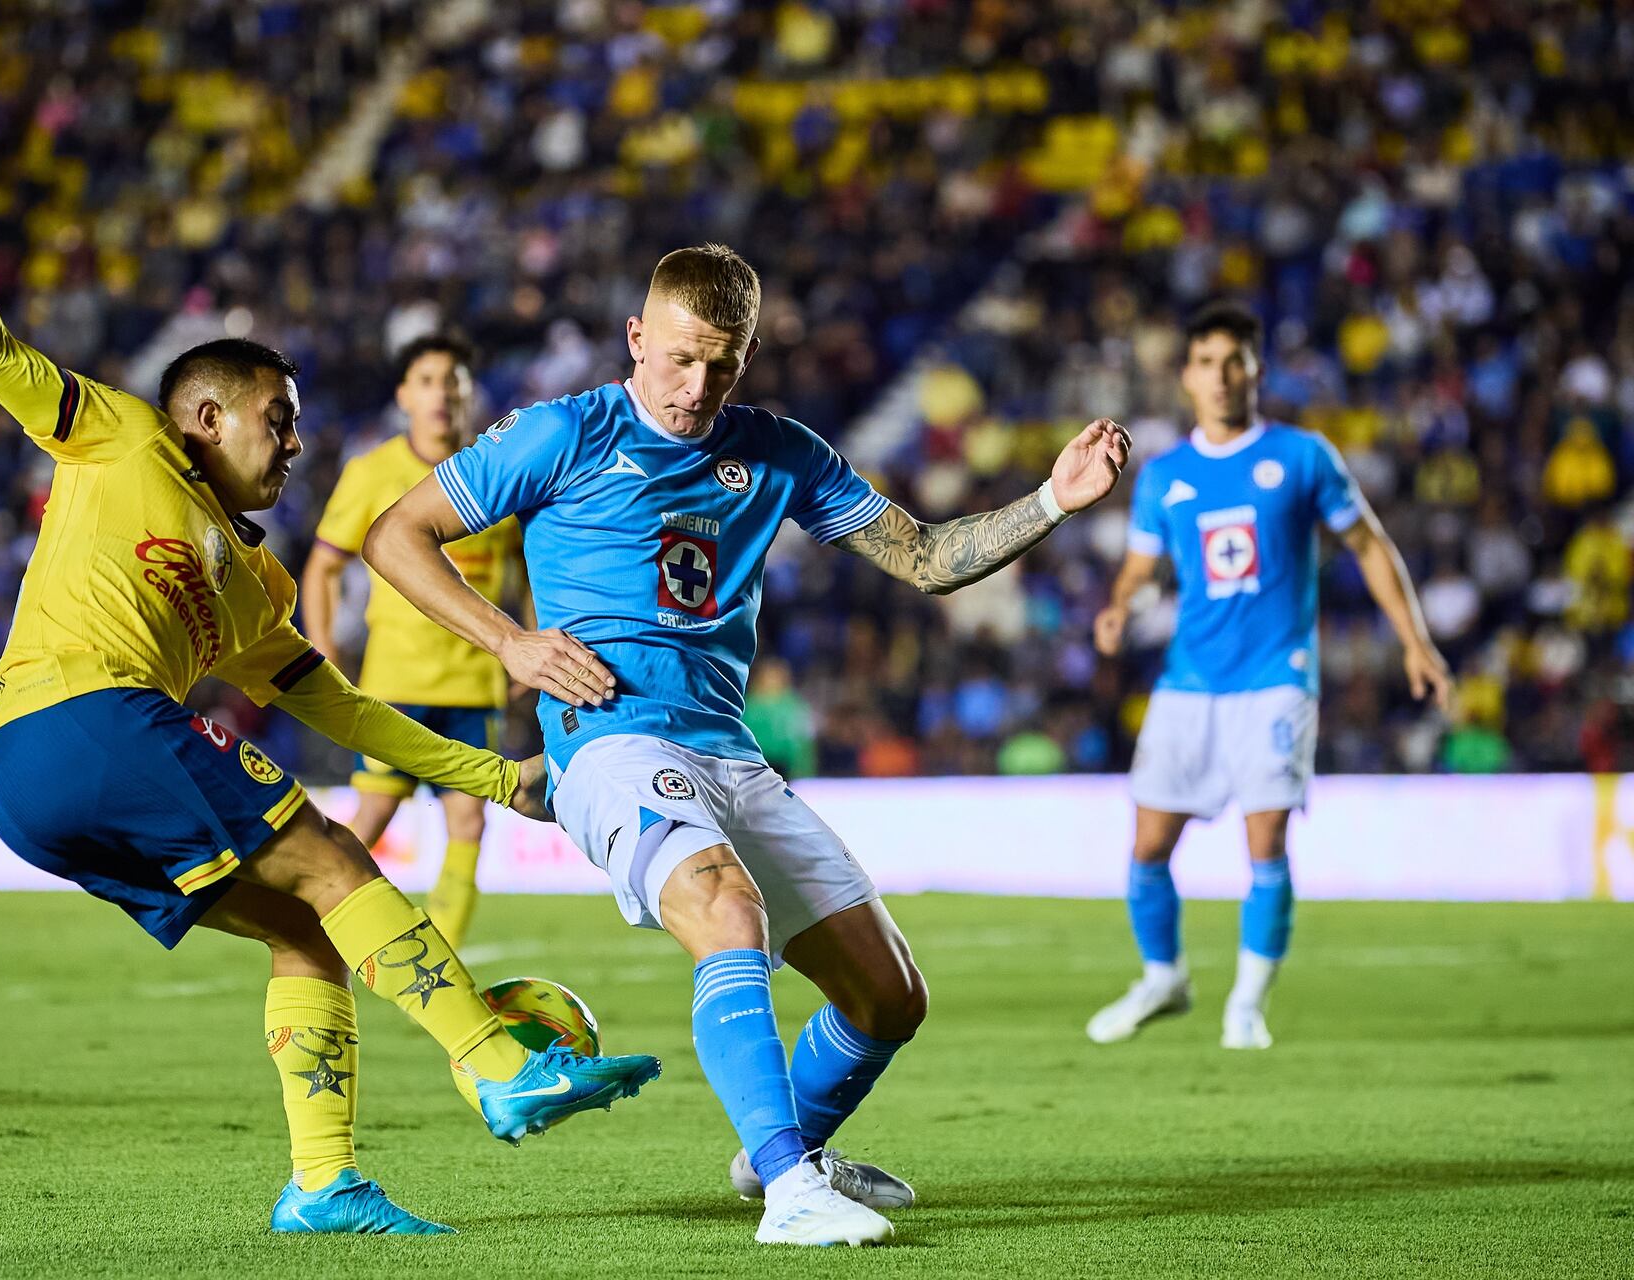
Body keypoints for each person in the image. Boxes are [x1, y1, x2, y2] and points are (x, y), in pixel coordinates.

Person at [0, 138, 658, 1237]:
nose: (295, 441)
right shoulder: (122, 437)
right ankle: (493, 1060)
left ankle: (323, 1181)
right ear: (205, 418)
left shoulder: (255, 584)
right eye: (276, 418)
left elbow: (345, 708)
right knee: (337, 856)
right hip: (76, 718)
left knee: (308, 925)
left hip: (39, 780)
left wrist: (501, 776)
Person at [361, 243, 1130, 1246]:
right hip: (610, 739)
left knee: (889, 994)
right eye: (678, 358)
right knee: (728, 908)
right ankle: (788, 1187)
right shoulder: (563, 433)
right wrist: (510, 641)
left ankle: (786, 1145)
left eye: (721, 364)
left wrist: (1053, 501)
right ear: (637, 338)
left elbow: (929, 558)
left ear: (749, 355)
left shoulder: (777, 450)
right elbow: (395, 534)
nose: (695, 386)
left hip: (726, 749)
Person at [1087, 301, 1454, 1051]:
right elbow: (1138, 569)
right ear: (1186, 376)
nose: (1221, 377)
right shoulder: (1164, 478)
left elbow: (1370, 544)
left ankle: (1247, 1003)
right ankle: (1165, 977)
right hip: (1191, 681)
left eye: (1235, 361)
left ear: (1257, 369)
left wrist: (1415, 641)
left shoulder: (1302, 457)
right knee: (1148, 844)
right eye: (1206, 363)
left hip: (1277, 677)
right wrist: (1120, 606)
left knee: (1267, 840)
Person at [301, 333, 524, 946]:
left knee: (469, 821)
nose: (441, 394)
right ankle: (310, 932)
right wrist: (323, 652)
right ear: (404, 395)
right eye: (427, 380)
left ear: (469, 393)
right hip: (395, 682)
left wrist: (527, 652)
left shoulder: (497, 470)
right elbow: (321, 567)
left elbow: (524, 574)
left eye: (453, 380)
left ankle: (442, 959)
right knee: (372, 816)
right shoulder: (372, 472)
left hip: (474, 683)